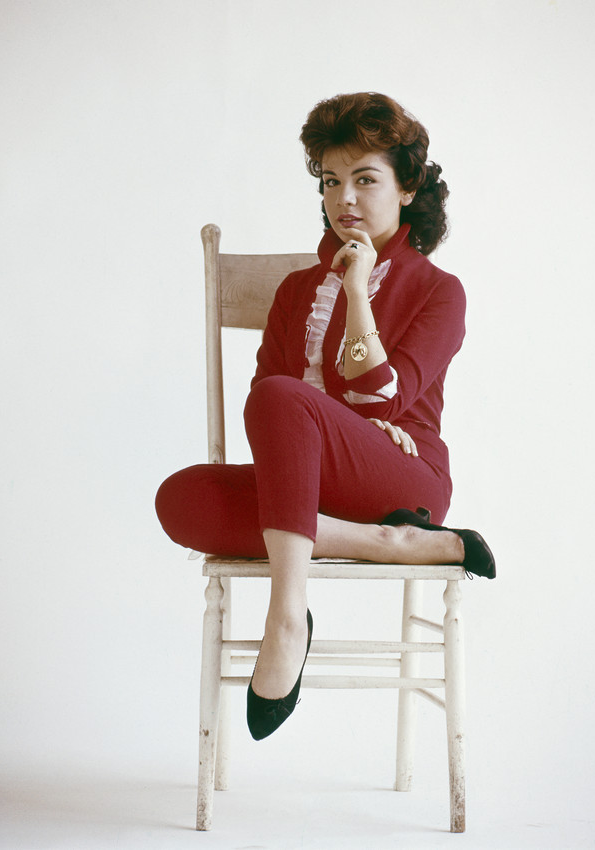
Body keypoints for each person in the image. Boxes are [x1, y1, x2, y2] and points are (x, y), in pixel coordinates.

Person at [155, 92, 495, 741]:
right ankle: (390, 542)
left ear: (408, 186)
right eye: (332, 180)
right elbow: (268, 408)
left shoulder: (438, 292)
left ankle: (286, 615)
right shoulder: (293, 291)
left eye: (365, 179)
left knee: (287, 396)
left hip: (404, 473)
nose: (345, 199)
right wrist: (327, 428)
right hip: (318, 485)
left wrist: (359, 290)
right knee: (182, 497)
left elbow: (382, 400)